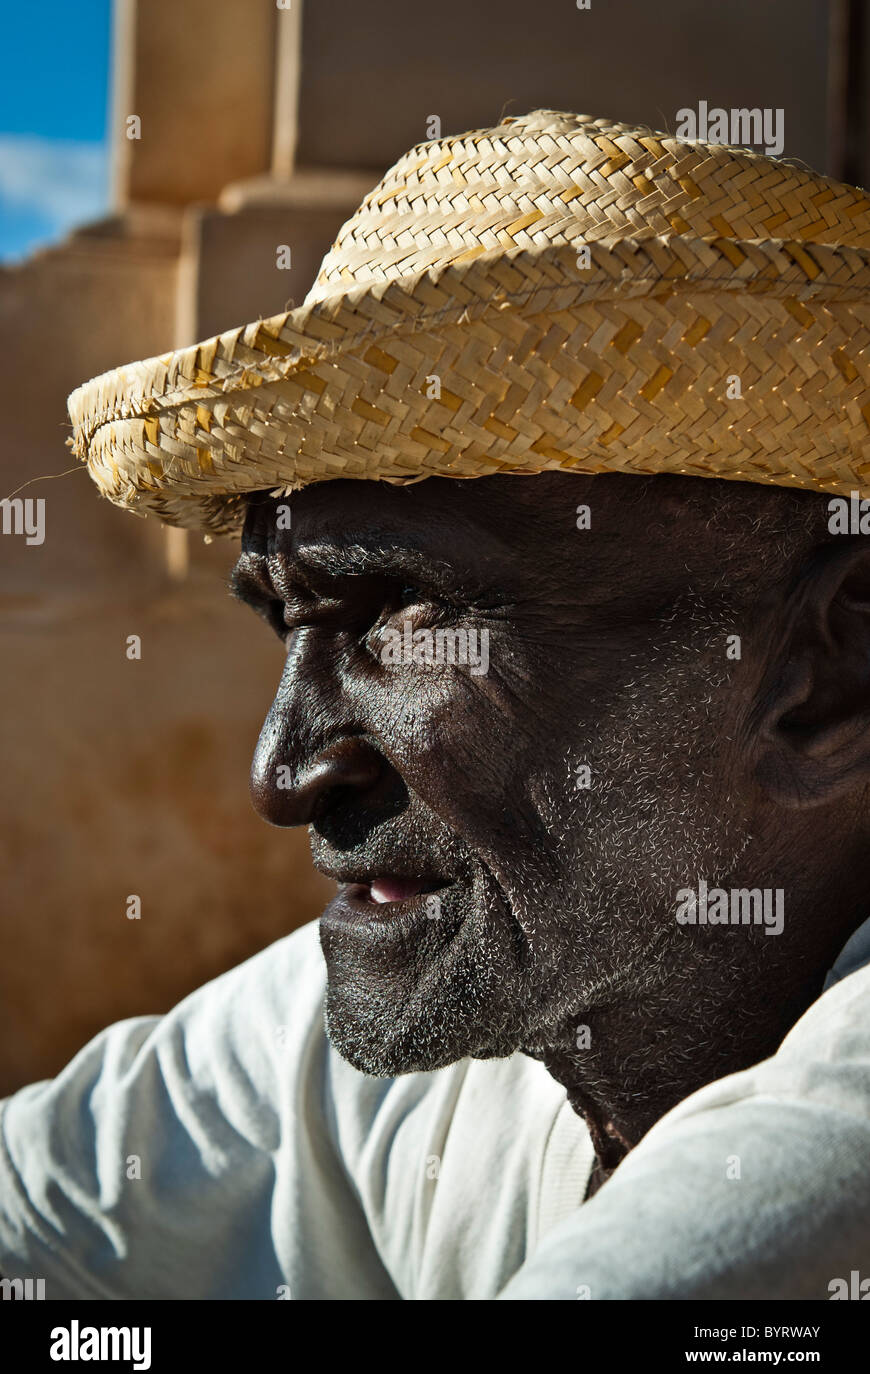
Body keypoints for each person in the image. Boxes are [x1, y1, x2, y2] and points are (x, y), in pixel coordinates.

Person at [2, 110, 870, 1300]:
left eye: (405, 610)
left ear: (830, 674)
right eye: (286, 618)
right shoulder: (507, 977)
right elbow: (40, 1203)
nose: (281, 771)